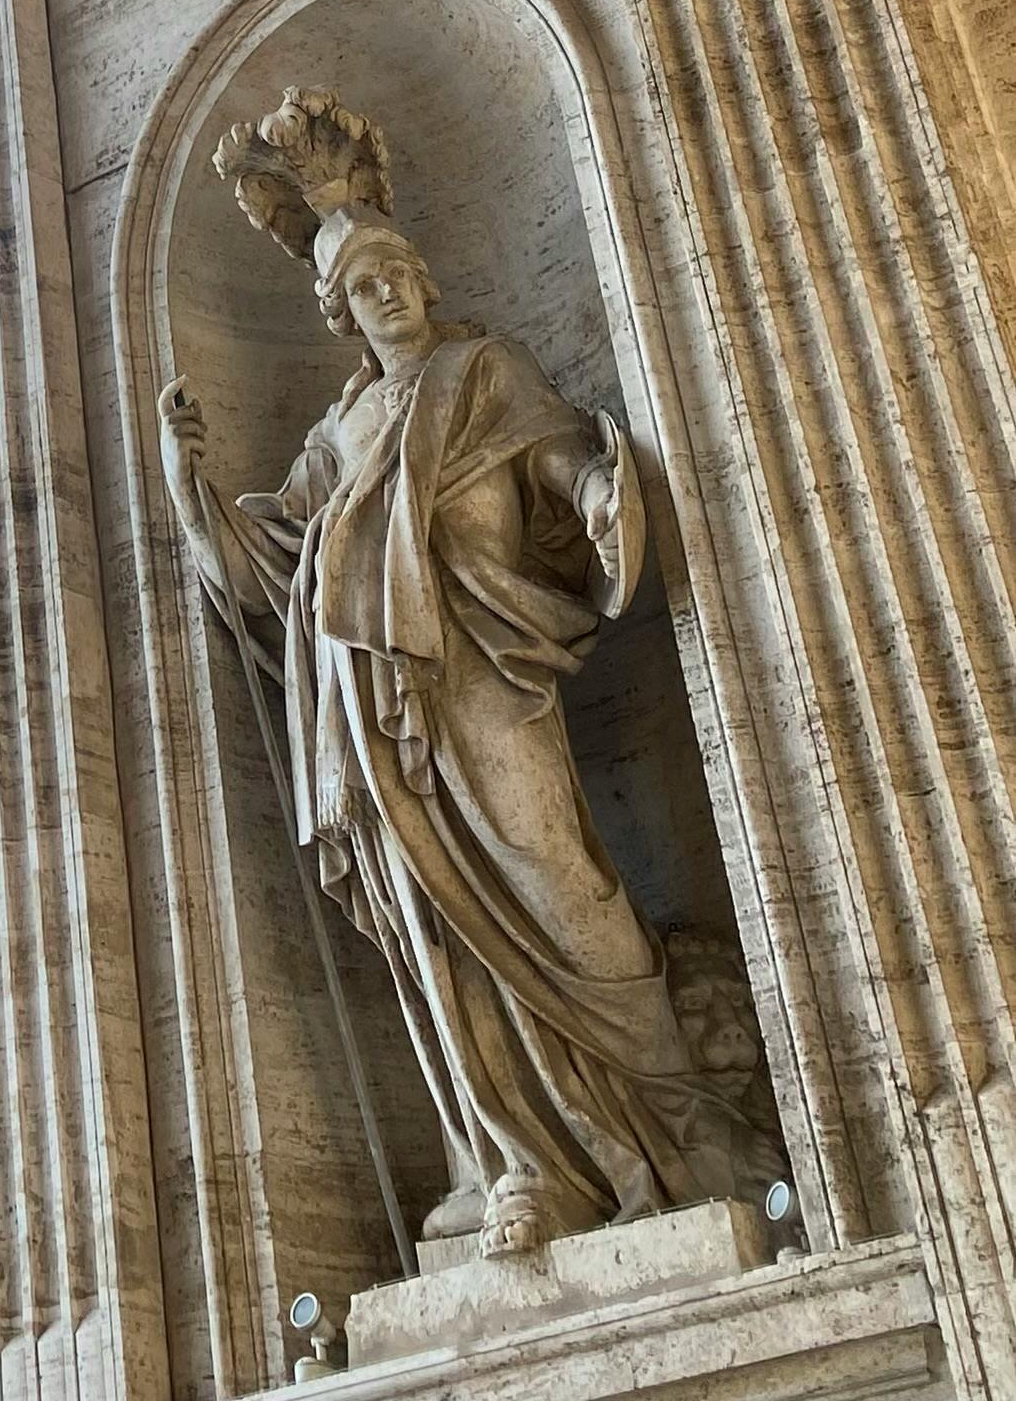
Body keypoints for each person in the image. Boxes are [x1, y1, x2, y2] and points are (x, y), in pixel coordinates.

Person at [159, 88, 775, 1261]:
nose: (381, 287)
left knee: (565, 891)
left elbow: (565, 467)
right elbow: (267, 568)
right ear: (336, 311)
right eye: (356, 284)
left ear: (424, 276)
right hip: (371, 714)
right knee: (436, 938)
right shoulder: (334, 439)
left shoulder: (485, 372)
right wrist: (196, 493)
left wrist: (601, 497)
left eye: (393, 265)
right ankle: (513, 1168)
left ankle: (684, 1134)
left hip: (483, 675)